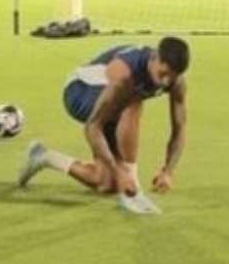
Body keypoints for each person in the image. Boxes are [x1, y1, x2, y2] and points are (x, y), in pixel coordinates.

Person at [18, 38, 189, 214]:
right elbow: (93, 126)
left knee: (107, 183)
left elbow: (180, 128)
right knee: (133, 98)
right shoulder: (124, 72)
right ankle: (134, 189)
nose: (165, 82)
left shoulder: (175, 81)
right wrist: (122, 172)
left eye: (172, 77)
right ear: (155, 58)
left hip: (114, 106)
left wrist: (167, 171)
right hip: (80, 93)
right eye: (163, 74)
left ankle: (43, 156)